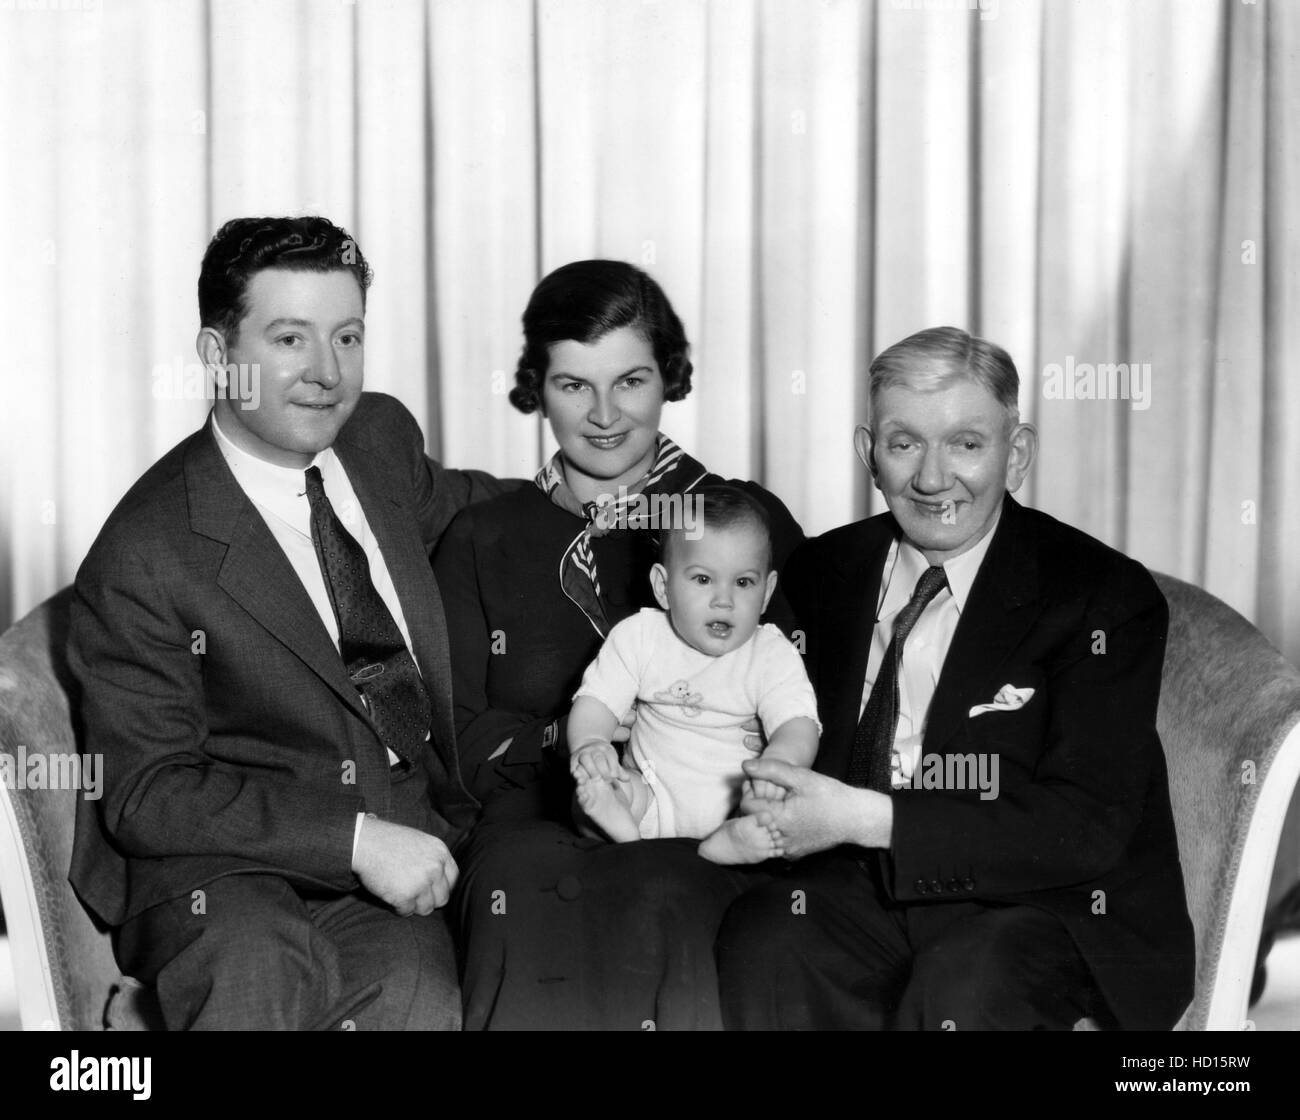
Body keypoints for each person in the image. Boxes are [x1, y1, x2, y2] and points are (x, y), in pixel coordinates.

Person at [68, 215, 513, 1030]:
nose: (326, 373)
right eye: (288, 339)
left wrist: (652, 499)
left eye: (347, 337)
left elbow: (490, 513)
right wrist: (354, 839)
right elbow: (147, 792)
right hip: (220, 864)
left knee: (418, 1002)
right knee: (256, 975)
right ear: (217, 357)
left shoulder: (377, 438)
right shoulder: (145, 551)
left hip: (407, 832)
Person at [716, 325, 1196, 1031]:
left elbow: (1085, 826)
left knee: (966, 981)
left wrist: (862, 817)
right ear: (868, 454)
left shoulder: (1100, 597)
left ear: (1018, 453)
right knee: (767, 937)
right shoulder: (823, 574)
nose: (933, 478)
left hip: (1049, 905)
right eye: (904, 443)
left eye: (966, 444)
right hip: (869, 886)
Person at [433, 259, 804, 1030]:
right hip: (531, 829)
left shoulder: (742, 522)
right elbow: (458, 736)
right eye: (573, 385)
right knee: (523, 893)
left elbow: (804, 696)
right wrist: (582, 739)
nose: (604, 414)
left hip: (707, 825)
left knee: (669, 896)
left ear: (668, 378)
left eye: (630, 381)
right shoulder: (483, 536)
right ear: (537, 387)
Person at [568, 484, 819, 864]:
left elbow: (798, 724)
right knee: (593, 792)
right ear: (663, 587)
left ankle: (735, 839)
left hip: (737, 801)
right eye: (703, 579)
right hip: (650, 794)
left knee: (783, 806)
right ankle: (619, 825)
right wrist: (591, 743)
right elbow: (596, 701)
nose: (724, 599)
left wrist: (780, 761)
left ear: (767, 593)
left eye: (743, 582)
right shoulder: (641, 637)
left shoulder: (771, 654)